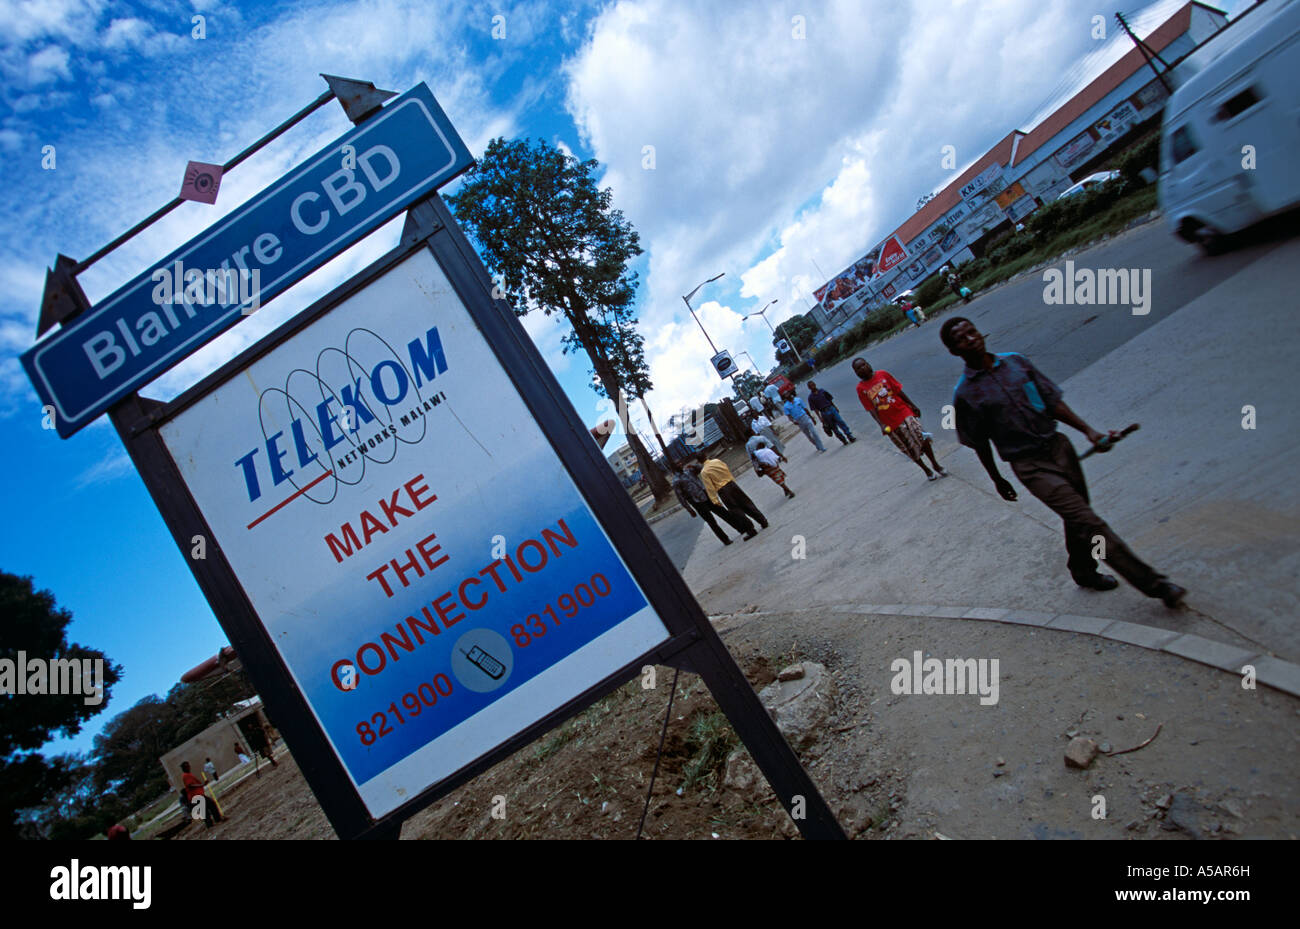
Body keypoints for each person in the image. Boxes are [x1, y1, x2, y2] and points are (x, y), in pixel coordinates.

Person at [939, 317, 1186, 606]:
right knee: (1090, 523)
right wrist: (997, 478)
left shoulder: (1016, 363)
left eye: (972, 331)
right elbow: (979, 443)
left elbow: (1051, 401)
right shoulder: (965, 395)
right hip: (1030, 466)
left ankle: (1082, 571)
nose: (970, 338)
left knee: (1078, 517)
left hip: (1059, 449)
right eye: (961, 338)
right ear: (954, 351)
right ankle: (1157, 586)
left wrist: (1089, 431)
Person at [853, 357, 947, 481]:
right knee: (908, 448)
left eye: (863, 365)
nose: (862, 368)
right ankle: (926, 470)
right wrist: (881, 424)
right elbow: (871, 409)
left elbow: (898, 391)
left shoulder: (883, 374)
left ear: (868, 364)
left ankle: (935, 464)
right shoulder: (861, 389)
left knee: (921, 436)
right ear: (856, 373)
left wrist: (912, 405)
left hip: (903, 411)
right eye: (858, 368)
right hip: (890, 422)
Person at [673, 465, 753, 544]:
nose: (681, 465)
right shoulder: (676, 481)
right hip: (697, 503)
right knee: (712, 522)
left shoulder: (688, 472)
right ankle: (725, 540)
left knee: (724, 513)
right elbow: (680, 497)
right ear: (674, 468)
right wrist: (689, 509)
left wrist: (693, 465)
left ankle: (740, 528)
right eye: (678, 464)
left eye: (680, 463)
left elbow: (701, 469)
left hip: (706, 496)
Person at [695, 458, 768, 534]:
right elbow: (726, 469)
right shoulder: (716, 461)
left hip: (723, 491)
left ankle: (750, 530)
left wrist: (715, 500)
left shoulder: (704, 472)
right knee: (747, 503)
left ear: (699, 461)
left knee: (735, 510)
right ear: (706, 456)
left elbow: (709, 487)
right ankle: (762, 520)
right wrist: (732, 480)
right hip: (731, 484)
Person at [180, 761, 223, 829]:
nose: (188, 767)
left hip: (198, 795)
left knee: (207, 808)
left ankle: (213, 822)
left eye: (188, 766)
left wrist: (202, 784)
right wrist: (202, 784)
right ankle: (214, 821)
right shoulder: (186, 776)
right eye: (186, 766)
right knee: (209, 805)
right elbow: (190, 785)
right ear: (183, 768)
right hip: (196, 796)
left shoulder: (188, 775)